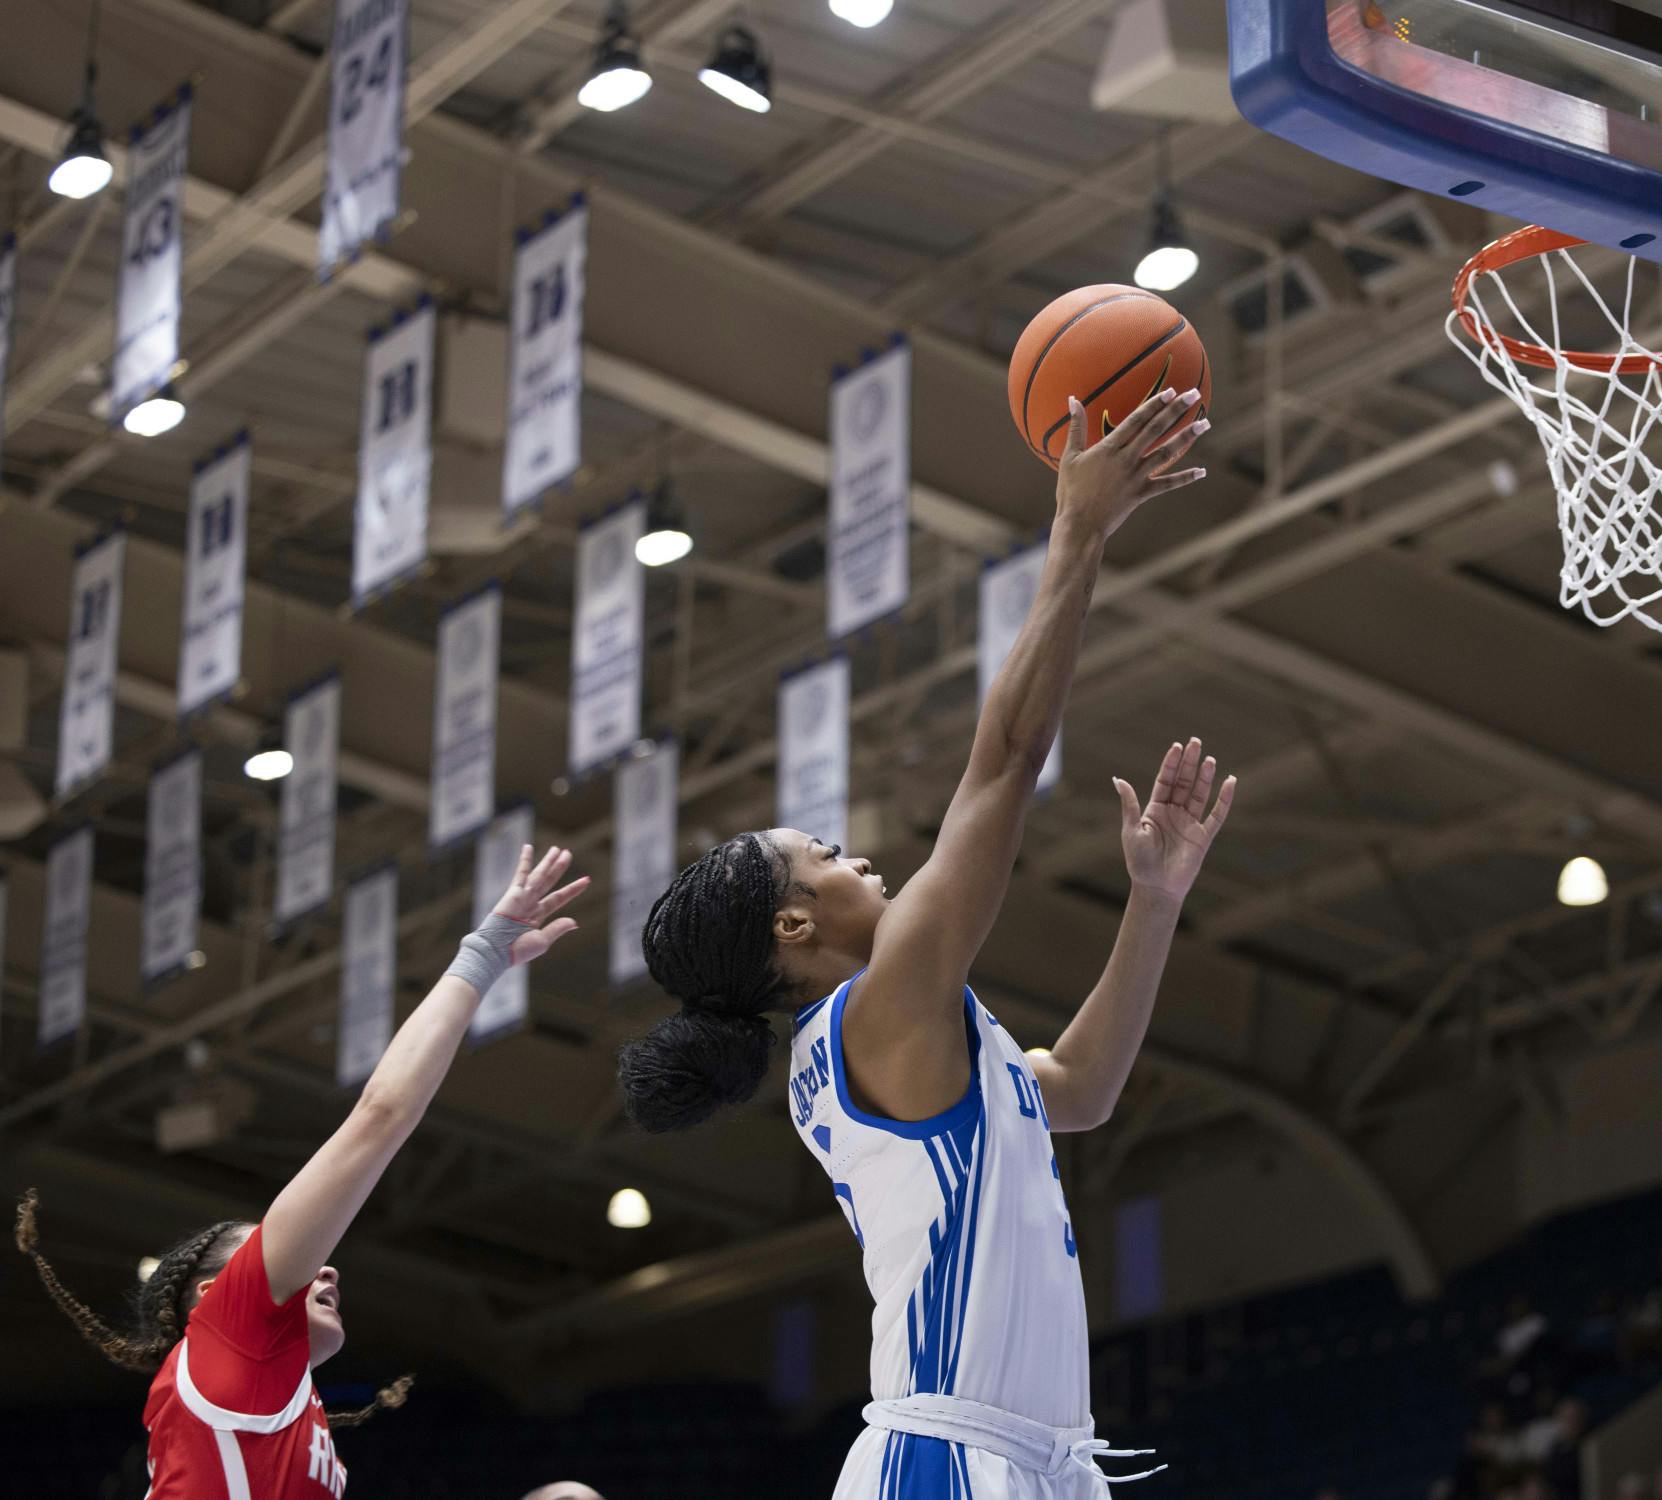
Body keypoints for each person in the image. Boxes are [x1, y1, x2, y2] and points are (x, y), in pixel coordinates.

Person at [618, 387, 1218, 1499]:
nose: (861, 860)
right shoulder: (875, 1014)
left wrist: (1154, 896)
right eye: (829, 855)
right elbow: (1005, 760)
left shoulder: (893, 1035)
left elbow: (1079, 1090)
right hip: (946, 1458)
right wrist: (1078, 527)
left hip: (1023, 1460)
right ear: (794, 925)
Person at [16, 844, 587, 1499]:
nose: (326, 1268)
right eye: (291, 1258)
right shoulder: (231, 1336)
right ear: (214, 1298)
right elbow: (380, 1115)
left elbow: (381, 1115)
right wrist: (481, 956)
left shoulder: (277, 1407)